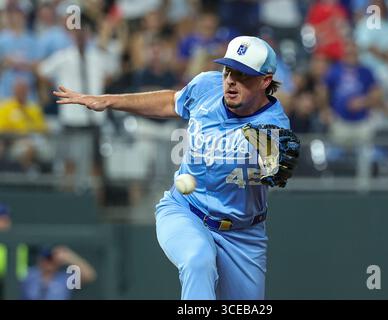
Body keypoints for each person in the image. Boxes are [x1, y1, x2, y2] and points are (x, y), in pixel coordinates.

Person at [53, 35, 300, 300]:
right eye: (229, 70)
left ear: (265, 80)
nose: (231, 80)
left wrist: (273, 168)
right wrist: (108, 100)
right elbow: (170, 102)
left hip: (243, 234)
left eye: (243, 75)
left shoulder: (272, 125)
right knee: (198, 260)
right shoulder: (207, 86)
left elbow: (275, 167)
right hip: (186, 211)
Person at [21, 245, 97, 300]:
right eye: (46, 258)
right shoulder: (29, 274)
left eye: (52, 259)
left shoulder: (64, 279)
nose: (48, 262)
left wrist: (69, 257)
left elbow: (90, 275)